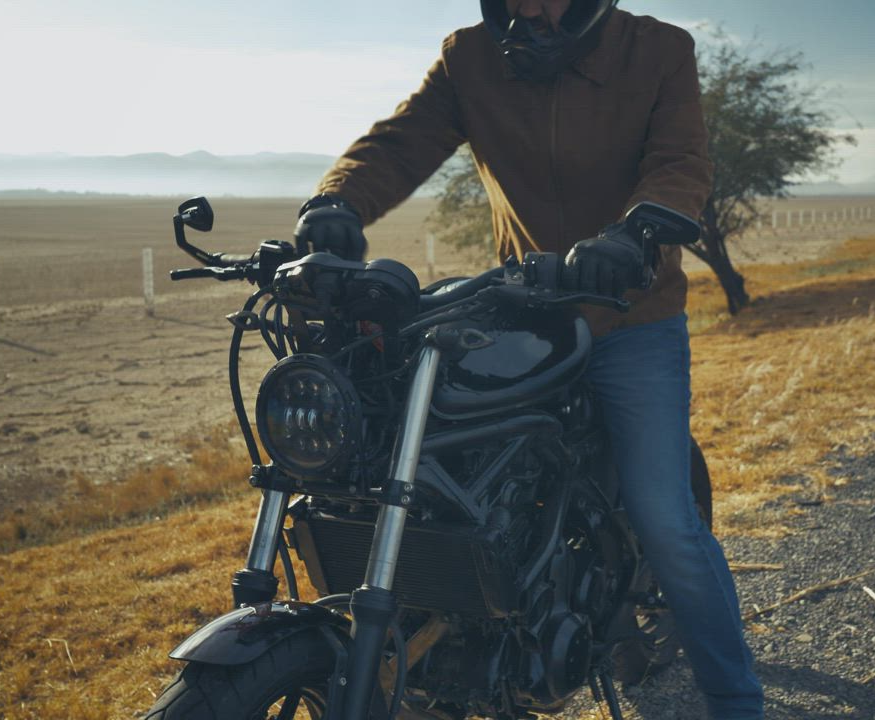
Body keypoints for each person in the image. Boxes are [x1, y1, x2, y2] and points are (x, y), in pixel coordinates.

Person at [297, 1, 765, 717]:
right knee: (440, 481)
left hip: (629, 314)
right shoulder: (470, 57)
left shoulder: (658, 50)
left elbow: (679, 165)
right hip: (524, 314)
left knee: (665, 518)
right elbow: (401, 143)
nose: (530, 7)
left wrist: (633, 237)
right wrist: (336, 204)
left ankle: (735, 698)